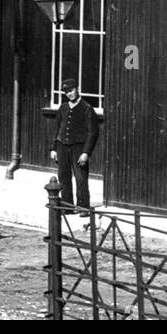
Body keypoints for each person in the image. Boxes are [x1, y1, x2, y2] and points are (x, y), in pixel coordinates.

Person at [50, 77, 100, 226]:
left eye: (71, 90)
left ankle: (83, 207)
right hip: (62, 146)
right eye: (66, 92)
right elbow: (57, 128)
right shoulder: (63, 108)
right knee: (63, 176)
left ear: (77, 89)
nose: (69, 94)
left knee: (80, 177)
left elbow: (93, 133)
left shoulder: (86, 108)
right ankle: (67, 206)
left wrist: (86, 152)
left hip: (79, 148)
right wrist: (53, 148)